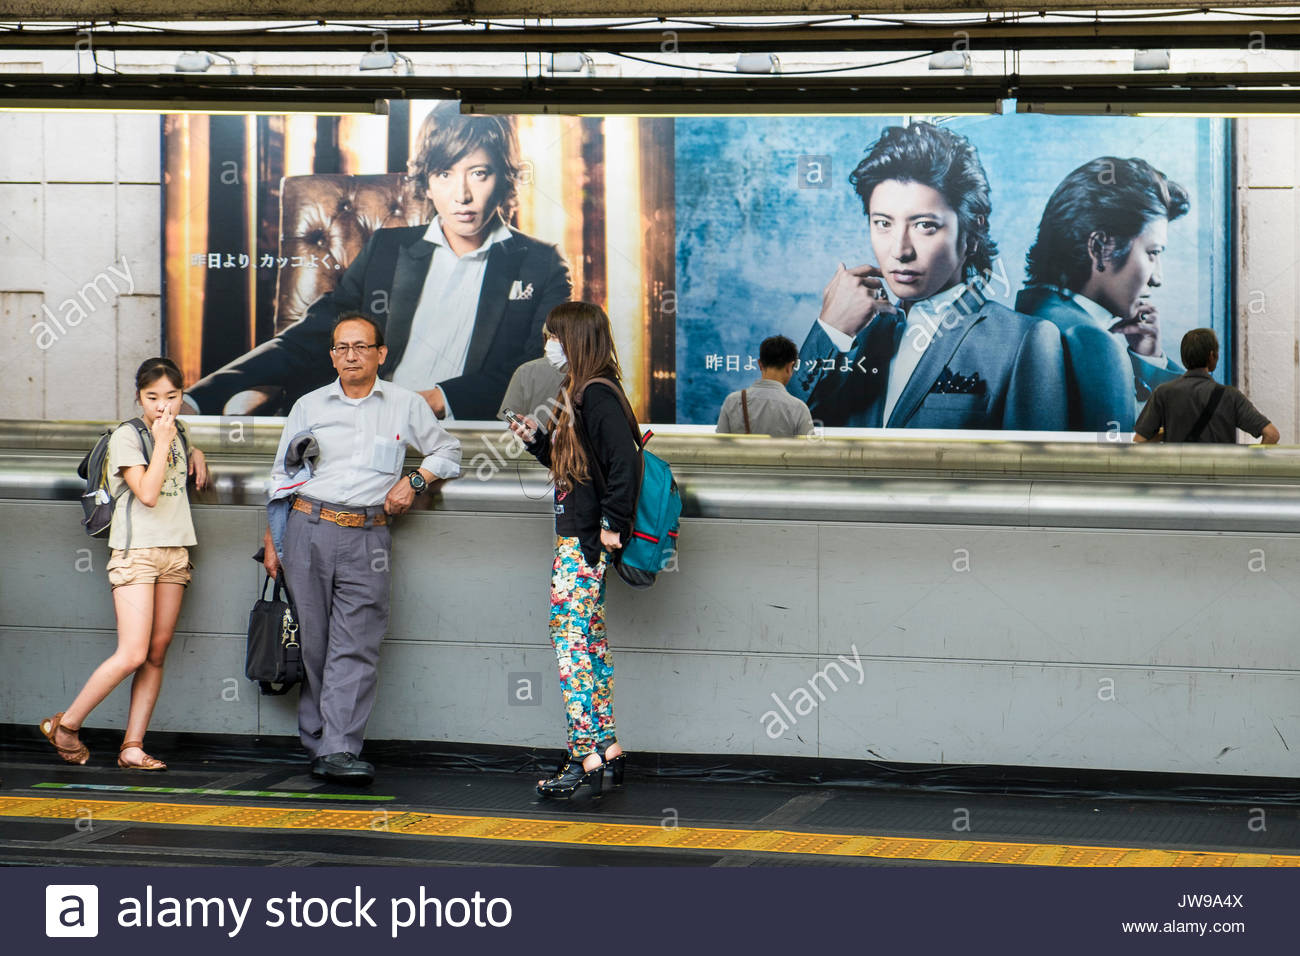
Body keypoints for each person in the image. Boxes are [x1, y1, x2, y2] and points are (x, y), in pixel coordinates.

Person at [185, 101, 572, 421]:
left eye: (479, 173)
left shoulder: (540, 264)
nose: (462, 195)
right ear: (426, 181)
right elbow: (312, 336)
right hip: (365, 423)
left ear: (504, 178)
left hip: (465, 434)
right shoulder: (387, 249)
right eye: (444, 174)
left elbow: (538, 371)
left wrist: (432, 400)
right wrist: (201, 396)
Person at [261, 311, 462, 785]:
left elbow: (448, 451)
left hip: (368, 536)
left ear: (381, 354)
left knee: (357, 645)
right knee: (313, 641)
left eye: (361, 346)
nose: (350, 355)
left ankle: (338, 748)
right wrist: (273, 542)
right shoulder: (309, 405)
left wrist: (414, 481)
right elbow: (281, 478)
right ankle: (318, 739)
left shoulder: (404, 404)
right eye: (341, 347)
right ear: (332, 355)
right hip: (307, 527)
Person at [788, 122, 1066, 430]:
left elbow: (1035, 469)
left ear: (971, 232)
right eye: (883, 223)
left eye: (924, 226)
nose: (900, 250)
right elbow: (778, 435)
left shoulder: (1022, 340)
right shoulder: (856, 335)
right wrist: (830, 330)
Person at [40, 357, 210, 771]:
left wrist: (196, 451)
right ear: (139, 397)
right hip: (136, 554)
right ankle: (66, 725)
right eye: (152, 397)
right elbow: (148, 493)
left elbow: (179, 461)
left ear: (182, 396)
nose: (162, 406)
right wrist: (165, 435)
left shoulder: (180, 431)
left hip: (175, 550)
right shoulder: (126, 437)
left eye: (171, 397)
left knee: (155, 652)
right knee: (133, 652)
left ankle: (132, 747)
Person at [509, 302, 639, 799]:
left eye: (554, 337)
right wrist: (536, 441)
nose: (548, 347)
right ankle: (606, 750)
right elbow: (577, 465)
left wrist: (611, 525)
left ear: (575, 340)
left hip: (582, 541)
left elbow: (622, 464)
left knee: (571, 647)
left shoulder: (595, 394)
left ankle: (581, 756)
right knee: (589, 643)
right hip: (583, 535)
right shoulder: (581, 392)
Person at [1017, 157, 1190, 431]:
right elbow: (1125, 464)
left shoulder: (1021, 317)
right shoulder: (1095, 345)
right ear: (1099, 248)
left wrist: (1148, 358)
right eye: (1152, 253)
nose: (1158, 279)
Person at [1133, 328, 1279, 444]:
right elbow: (1272, 435)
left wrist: (1167, 434)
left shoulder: (1163, 393)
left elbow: (1140, 440)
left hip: (1178, 479)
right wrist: (1250, 468)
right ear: (1212, 356)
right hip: (1220, 478)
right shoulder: (1230, 396)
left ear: (1184, 358)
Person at [716, 334, 814, 436]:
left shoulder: (732, 401)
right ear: (790, 367)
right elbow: (808, 450)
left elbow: (719, 445)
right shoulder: (798, 408)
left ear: (760, 364)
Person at [498, 355, 566, 433]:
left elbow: (508, 413)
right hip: (572, 441)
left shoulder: (526, 370)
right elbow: (508, 413)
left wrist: (529, 432)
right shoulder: (526, 370)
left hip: (535, 440)